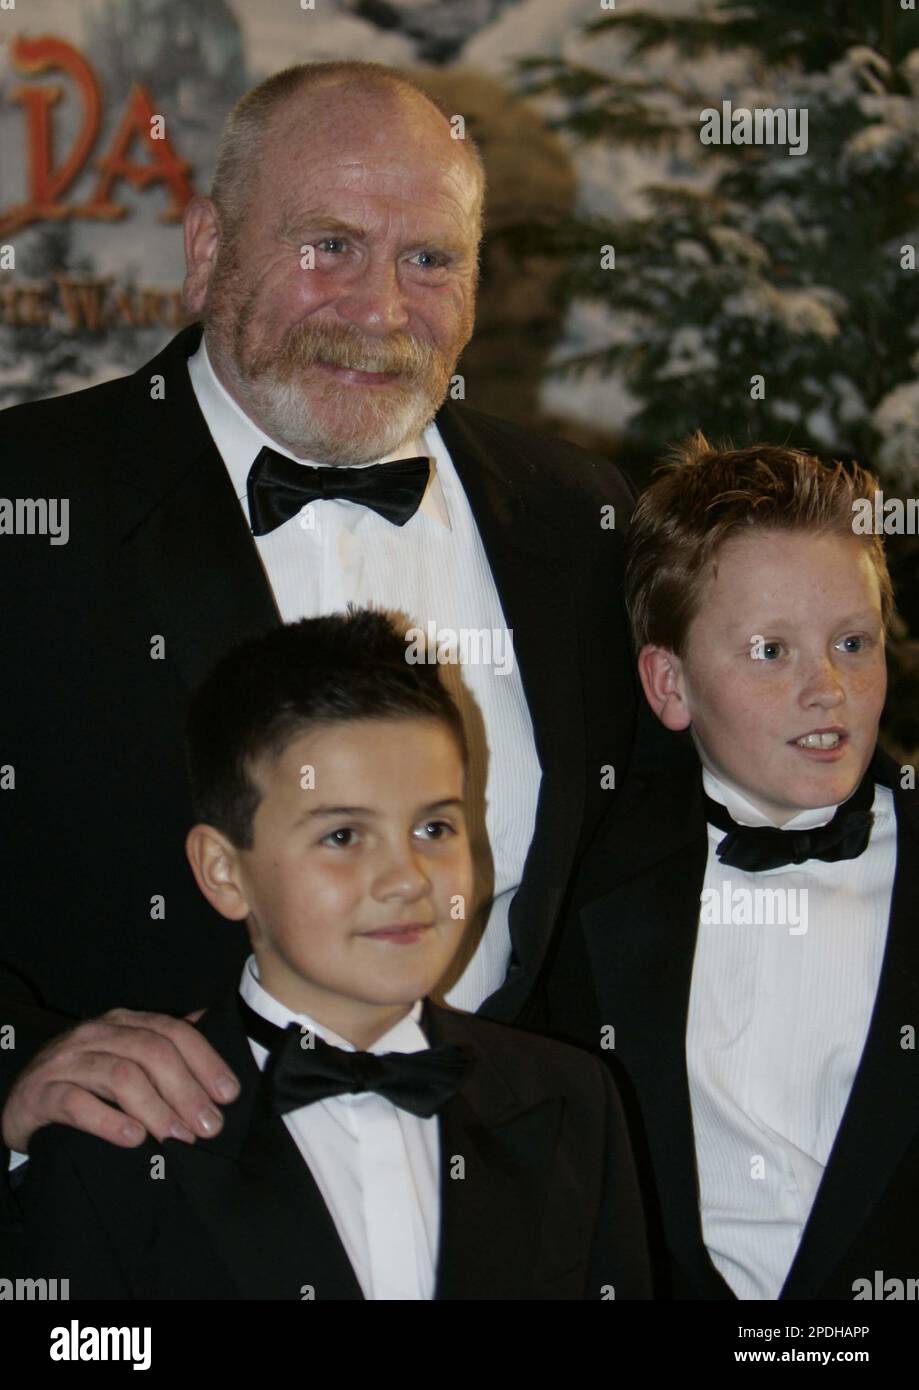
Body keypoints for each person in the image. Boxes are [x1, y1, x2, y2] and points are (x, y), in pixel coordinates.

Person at [0, 59, 637, 1192]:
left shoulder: (579, 521)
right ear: (206, 250)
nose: (381, 308)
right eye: (327, 245)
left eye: (428, 259)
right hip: (144, 1229)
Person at [15, 611, 651, 1300]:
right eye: (344, 835)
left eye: (434, 826)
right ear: (225, 872)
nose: (407, 877)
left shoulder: (571, 1098)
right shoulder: (117, 1133)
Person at [544, 436, 919, 1300]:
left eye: (852, 643)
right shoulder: (582, 883)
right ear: (668, 685)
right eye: (768, 651)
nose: (825, 687)